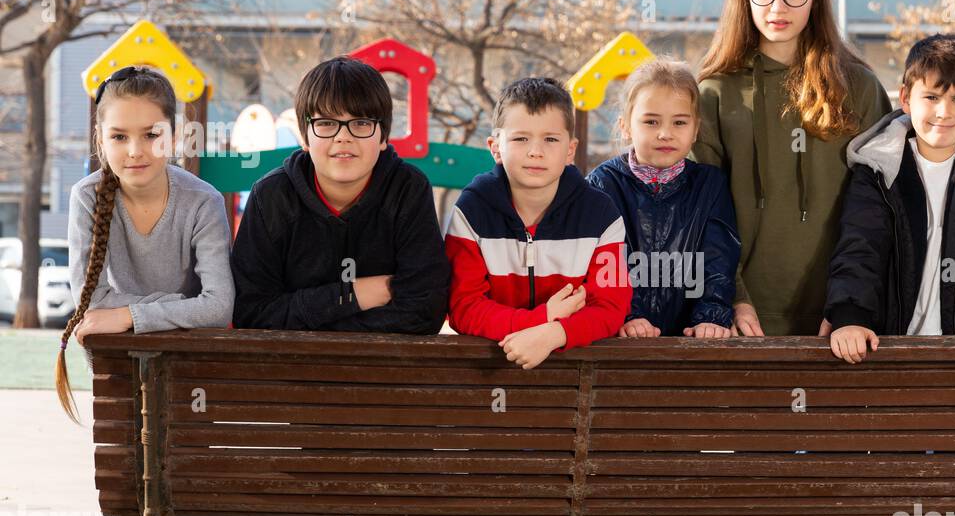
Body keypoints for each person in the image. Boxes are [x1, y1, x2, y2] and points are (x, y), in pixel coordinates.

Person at [693, 0, 892, 336]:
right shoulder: (713, 93)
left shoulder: (859, 86)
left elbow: (879, 213)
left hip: (838, 319)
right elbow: (699, 212)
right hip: (737, 321)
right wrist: (729, 296)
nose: (777, 8)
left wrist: (851, 304)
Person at [824, 34, 955, 367]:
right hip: (890, 337)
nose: (943, 111)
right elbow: (861, 246)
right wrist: (850, 315)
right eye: (932, 96)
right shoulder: (878, 164)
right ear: (907, 99)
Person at [56, 66, 234, 422]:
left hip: (190, 369)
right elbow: (91, 304)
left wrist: (126, 315)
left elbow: (219, 308)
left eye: (151, 134)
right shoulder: (87, 197)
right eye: (119, 137)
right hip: (119, 367)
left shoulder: (203, 202)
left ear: (175, 135)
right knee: (121, 466)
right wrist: (183, 307)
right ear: (100, 139)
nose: (136, 151)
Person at [231, 56, 449, 333]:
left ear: (383, 137)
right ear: (304, 137)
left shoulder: (408, 189)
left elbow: (426, 309)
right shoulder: (271, 196)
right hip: (287, 366)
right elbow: (250, 312)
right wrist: (357, 294)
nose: (343, 137)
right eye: (326, 123)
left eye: (360, 123)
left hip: (387, 367)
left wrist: (313, 316)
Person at [443, 77, 632, 369]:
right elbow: (462, 307)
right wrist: (540, 319)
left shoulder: (601, 215)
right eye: (521, 139)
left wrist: (553, 334)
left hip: (574, 366)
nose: (536, 151)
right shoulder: (472, 211)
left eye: (551, 139)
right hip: (491, 368)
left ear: (570, 150)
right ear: (495, 146)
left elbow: (610, 307)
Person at [586, 58, 740, 338]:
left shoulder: (710, 185)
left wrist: (711, 315)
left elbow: (719, 259)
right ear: (625, 126)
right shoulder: (603, 184)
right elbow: (600, 261)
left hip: (692, 335)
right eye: (651, 121)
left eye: (679, 122)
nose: (665, 133)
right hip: (620, 335)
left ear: (695, 129)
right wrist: (627, 313)